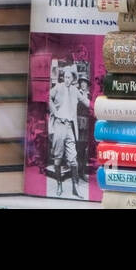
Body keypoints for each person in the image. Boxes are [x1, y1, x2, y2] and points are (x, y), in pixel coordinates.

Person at [48, 66, 89, 197]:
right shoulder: (58, 88)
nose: (66, 80)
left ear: (73, 79)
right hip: (59, 125)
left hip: (70, 128)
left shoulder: (75, 90)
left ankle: (75, 187)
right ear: (63, 77)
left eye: (69, 77)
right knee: (58, 159)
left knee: (73, 160)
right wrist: (54, 111)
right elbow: (47, 97)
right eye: (65, 77)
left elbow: (86, 102)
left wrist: (101, 105)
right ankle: (59, 184)